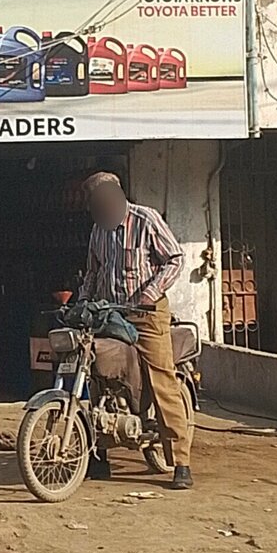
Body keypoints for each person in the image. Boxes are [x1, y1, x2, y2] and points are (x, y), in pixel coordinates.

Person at [80, 172, 193, 490]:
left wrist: (150, 293)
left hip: (147, 315)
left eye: (105, 205)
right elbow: (94, 271)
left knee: (162, 383)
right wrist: (83, 303)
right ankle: (99, 454)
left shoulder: (147, 219)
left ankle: (181, 463)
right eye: (95, 209)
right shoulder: (98, 231)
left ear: (117, 198)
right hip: (111, 315)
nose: (102, 213)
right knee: (100, 377)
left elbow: (174, 259)